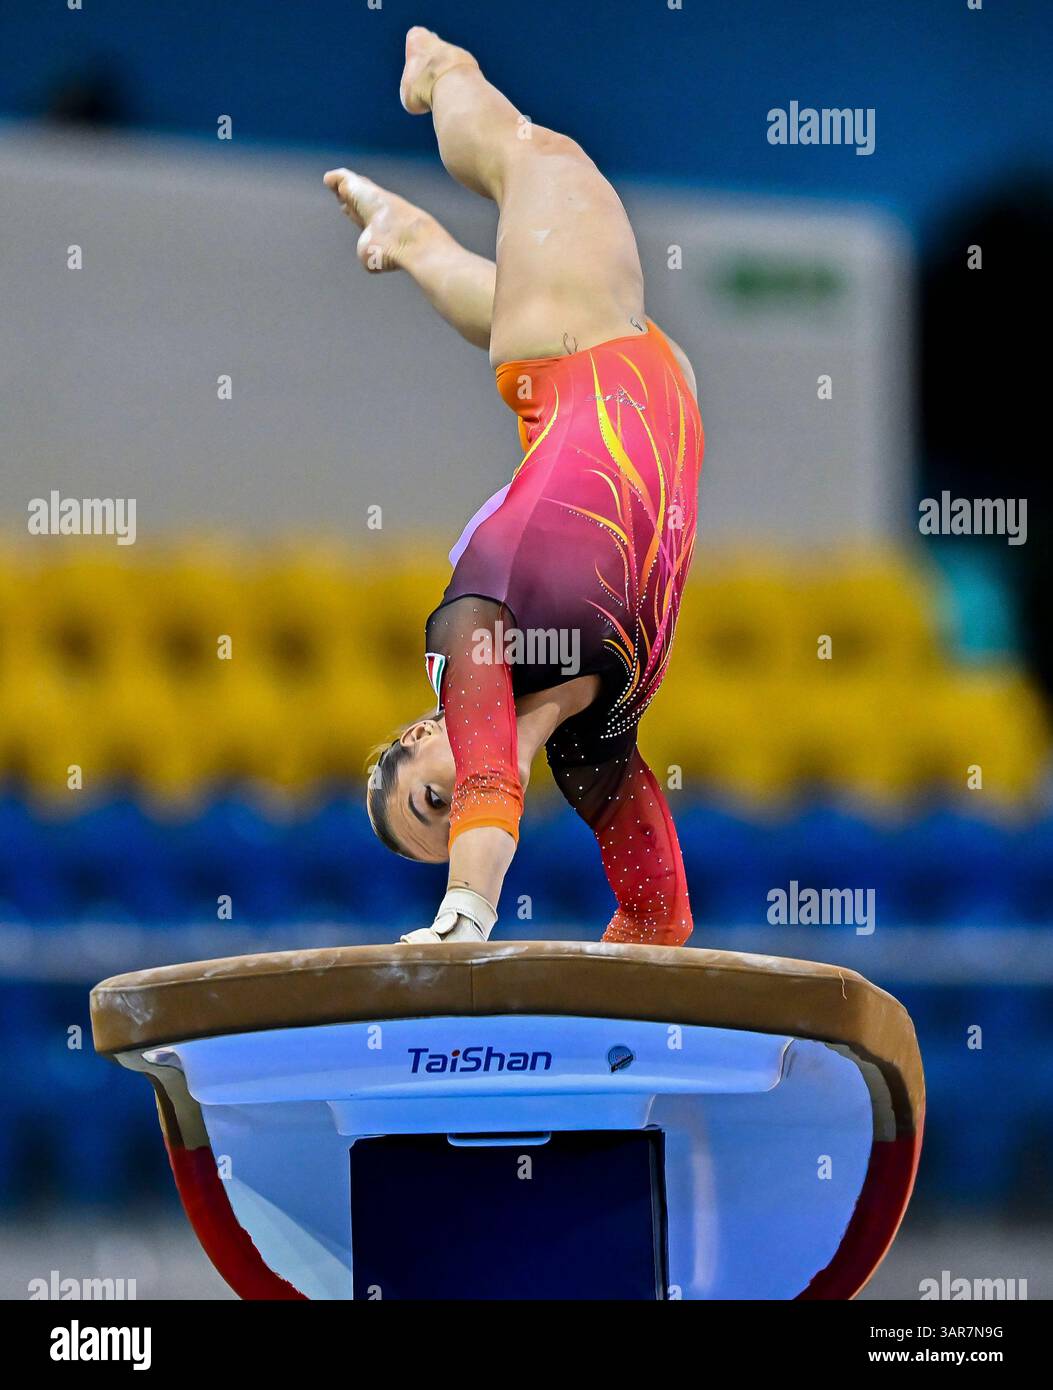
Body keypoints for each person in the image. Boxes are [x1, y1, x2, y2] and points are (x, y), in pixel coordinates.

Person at [325, 27, 703, 946]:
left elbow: (490, 772)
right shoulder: (591, 744)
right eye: (449, 832)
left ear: (423, 729)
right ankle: (413, 240)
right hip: (646, 387)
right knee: (526, 265)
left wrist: (466, 915)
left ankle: (443, 71)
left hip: (584, 364)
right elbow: (661, 913)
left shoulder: (469, 639)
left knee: (533, 156)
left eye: (434, 803)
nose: (462, 812)